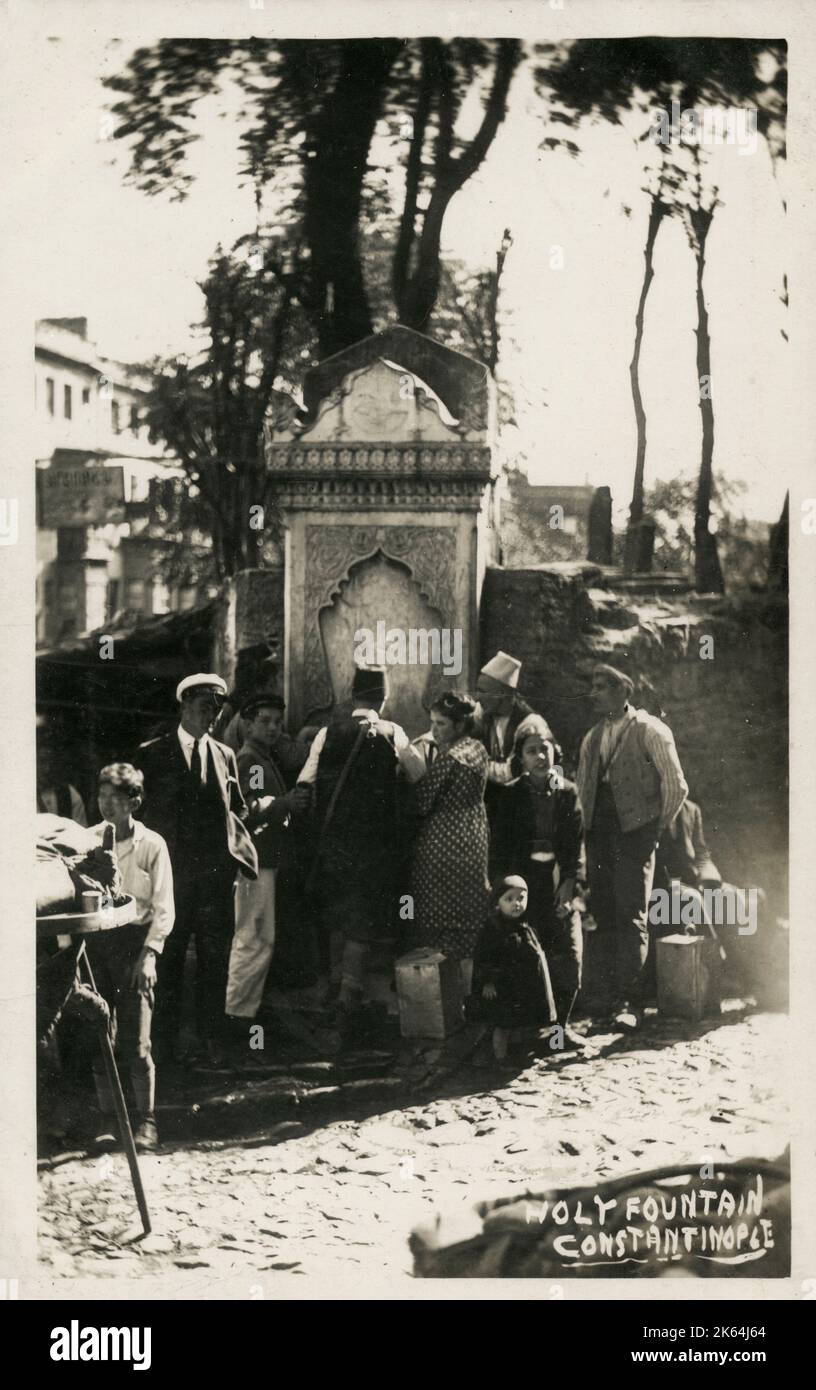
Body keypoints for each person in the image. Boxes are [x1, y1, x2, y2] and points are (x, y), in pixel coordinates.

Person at [136, 673, 258, 1067]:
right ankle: (164, 1046)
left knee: (215, 959)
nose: (214, 716)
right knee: (167, 960)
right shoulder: (153, 754)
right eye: (207, 707)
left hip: (214, 879)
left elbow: (236, 807)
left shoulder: (224, 755)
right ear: (185, 705)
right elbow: (136, 814)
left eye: (218, 709)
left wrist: (239, 845)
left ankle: (212, 1043)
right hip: (170, 879)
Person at [296, 666, 406, 1040]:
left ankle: (334, 991)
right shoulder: (393, 733)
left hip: (333, 845)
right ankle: (347, 998)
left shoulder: (328, 733)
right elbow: (418, 774)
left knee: (337, 917)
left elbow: (305, 783)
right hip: (375, 846)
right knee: (362, 921)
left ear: (352, 695)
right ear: (383, 698)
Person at [576, 663, 688, 1031]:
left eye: (603, 686)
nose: (594, 693)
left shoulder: (651, 730)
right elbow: (582, 790)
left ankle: (632, 1002)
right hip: (600, 834)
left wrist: (653, 830)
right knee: (604, 910)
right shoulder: (592, 737)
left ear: (624, 691)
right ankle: (606, 1000)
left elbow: (675, 786)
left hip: (635, 834)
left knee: (630, 912)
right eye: (592, 686)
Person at [87, 763, 174, 1152]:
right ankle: (109, 1121)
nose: (107, 805)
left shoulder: (152, 845)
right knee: (99, 1036)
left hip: (136, 946)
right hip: (99, 945)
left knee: (138, 1042)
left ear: (134, 800)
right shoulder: (87, 840)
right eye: (102, 796)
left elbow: (164, 907)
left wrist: (150, 956)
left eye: (116, 798)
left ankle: (146, 1121)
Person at [491, 714, 586, 1045]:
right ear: (521, 758)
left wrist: (570, 886)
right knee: (528, 957)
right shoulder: (508, 795)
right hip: (524, 887)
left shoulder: (568, 793)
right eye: (531, 751)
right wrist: (508, 893)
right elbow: (500, 851)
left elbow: (575, 848)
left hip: (558, 885)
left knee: (569, 958)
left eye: (544, 750)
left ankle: (561, 1030)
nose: (540, 757)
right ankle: (529, 1032)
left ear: (554, 753)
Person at [225, 694, 310, 1042]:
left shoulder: (262, 757)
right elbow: (250, 808)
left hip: (264, 861)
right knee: (253, 938)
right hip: (254, 863)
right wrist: (286, 803)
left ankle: (244, 1012)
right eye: (265, 721)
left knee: (260, 938)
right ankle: (237, 1016)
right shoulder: (251, 760)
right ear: (247, 724)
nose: (273, 728)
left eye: (277, 722)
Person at [409, 690, 490, 993]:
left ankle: (443, 1000)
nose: (433, 730)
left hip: (443, 843)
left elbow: (421, 799)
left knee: (439, 920)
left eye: (441, 724)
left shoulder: (452, 758)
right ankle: (466, 999)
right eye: (432, 722)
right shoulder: (478, 750)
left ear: (460, 725)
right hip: (473, 837)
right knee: (467, 921)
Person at [471, 875, 557, 1062]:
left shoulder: (525, 925)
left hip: (521, 987)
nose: (516, 903)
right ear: (498, 902)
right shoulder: (493, 929)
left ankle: (520, 1053)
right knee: (502, 1024)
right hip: (502, 987)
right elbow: (484, 957)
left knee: (522, 1021)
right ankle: (500, 1057)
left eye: (520, 898)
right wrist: (487, 981)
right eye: (509, 899)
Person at [37, 743, 87, 826]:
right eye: (41, 762)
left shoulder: (70, 794)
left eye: (51, 762)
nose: (47, 768)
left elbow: (82, 832)